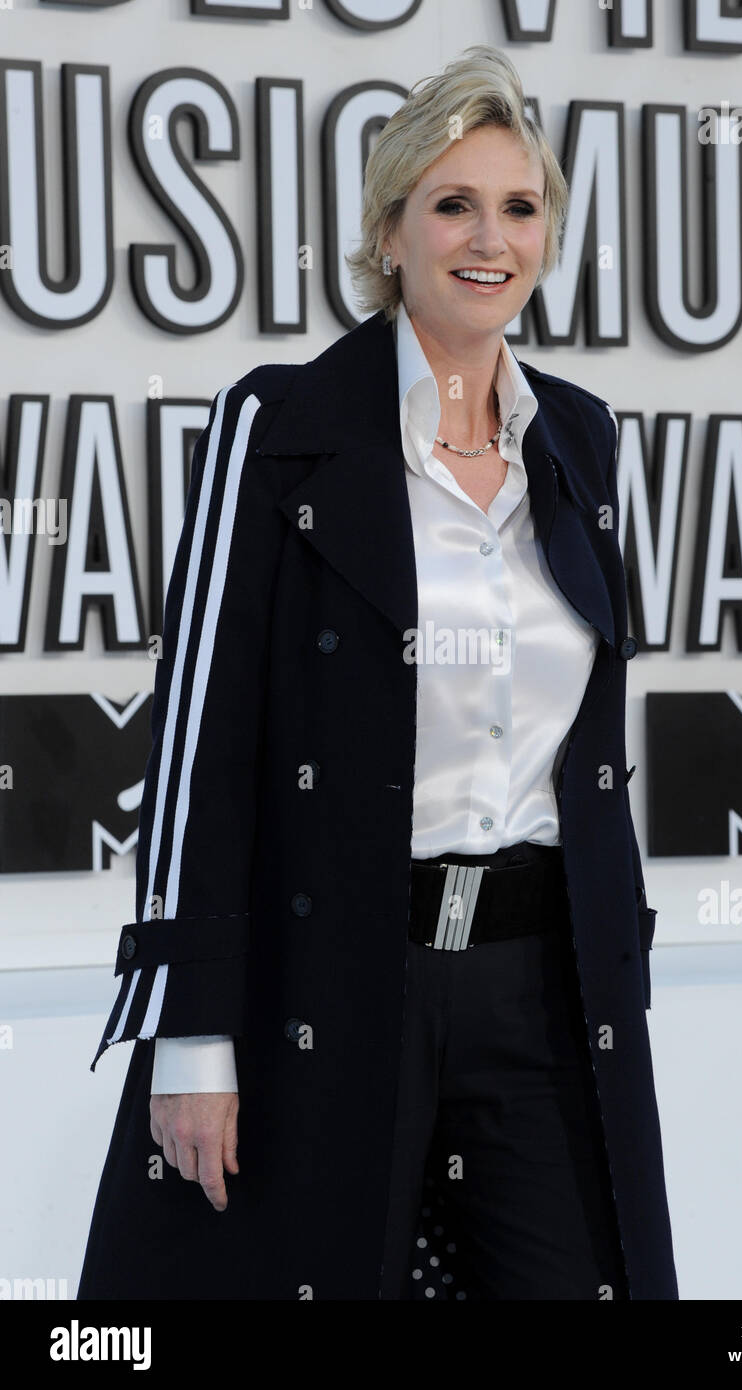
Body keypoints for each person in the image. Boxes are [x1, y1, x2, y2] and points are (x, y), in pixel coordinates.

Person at [78, 44, 677, 1301]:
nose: (487, 237)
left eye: (520, 207)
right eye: (452, 203)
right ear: (390, 230)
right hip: (339, 971)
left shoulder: (580, 436)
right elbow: (201, 742)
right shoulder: (283, 422)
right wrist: (192, 1030)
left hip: (539, 982)